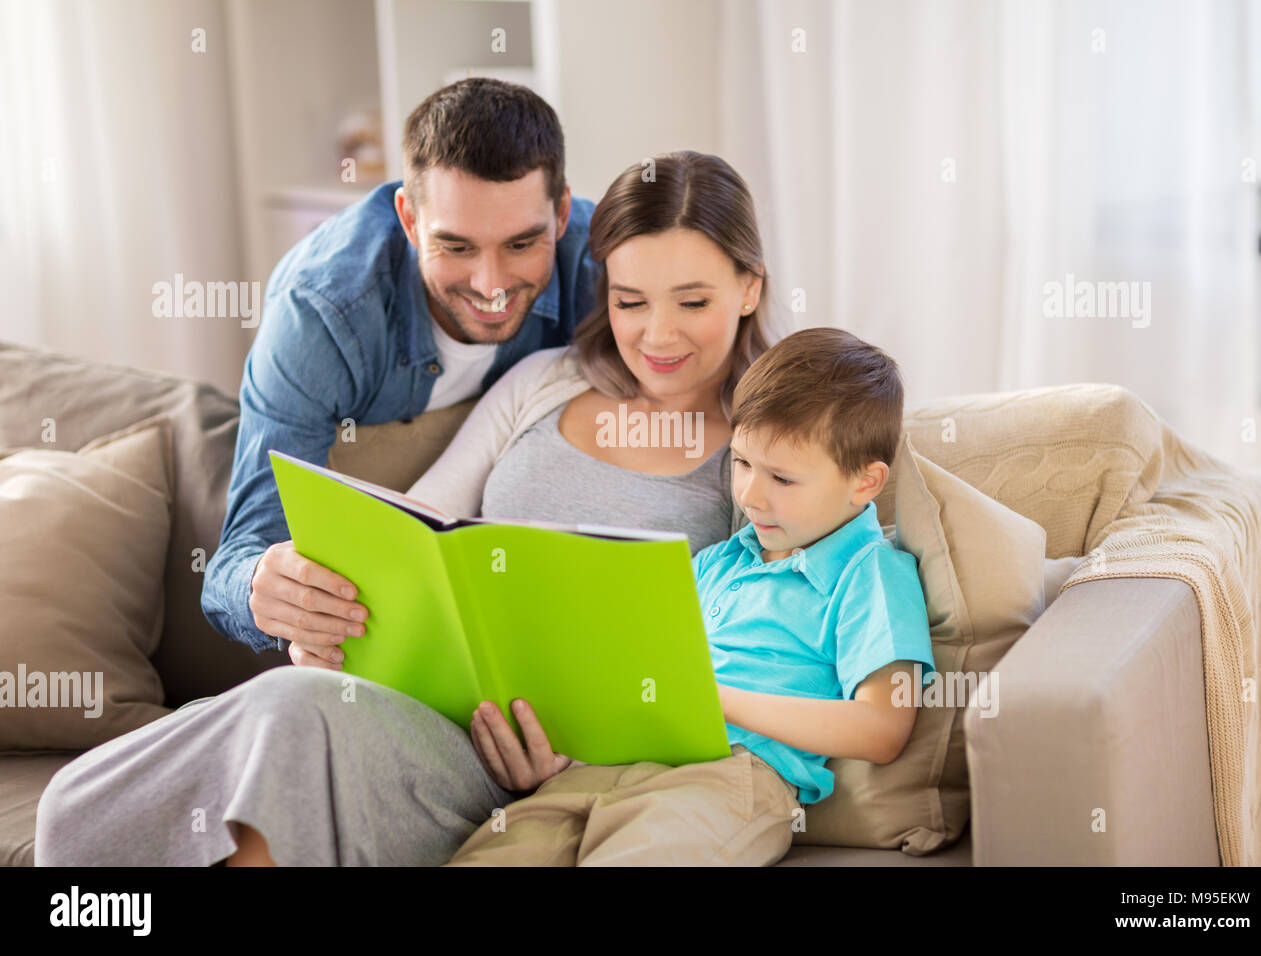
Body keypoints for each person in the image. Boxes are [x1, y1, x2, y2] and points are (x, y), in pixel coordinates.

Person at [35, 150, 772, 866]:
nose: (657, 335)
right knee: (182, 751)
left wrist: (576, 756)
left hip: (559, 763)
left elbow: (756, 654)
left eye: (694, 302)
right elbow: (415, 526)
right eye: (629, 301)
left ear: (749, 289)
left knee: (289, 721)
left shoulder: (764, 453)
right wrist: (332, 605)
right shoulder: (547, 379)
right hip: (423, 710)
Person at [445, 327, 938, 865]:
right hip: (615, 762)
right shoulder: (717, 561)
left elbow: (882, 729)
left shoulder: (871, 574)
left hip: (732, 777)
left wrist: (711, 697)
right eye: (744, 463)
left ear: (865, 483)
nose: (750, 493)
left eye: (783, 478)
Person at [200, 76, 599, 667]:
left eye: (521, 244)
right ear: (409, 221)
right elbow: (232, 567)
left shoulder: (606, 266)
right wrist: (267, 587)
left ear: (561, 213)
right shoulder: (322, 312)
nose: (491, 284)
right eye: (457, 247)